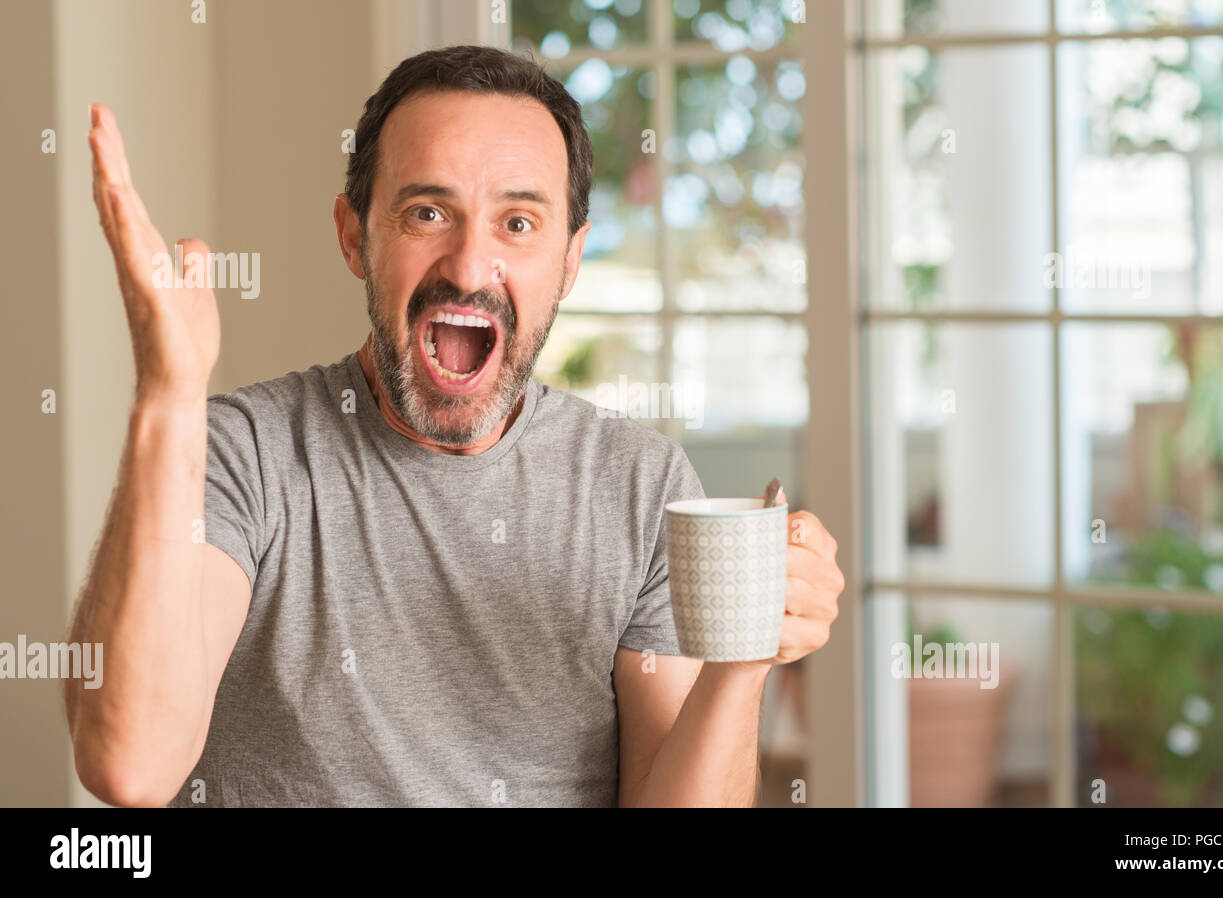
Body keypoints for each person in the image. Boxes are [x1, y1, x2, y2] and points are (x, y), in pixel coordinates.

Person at [64, 45, 844, 808]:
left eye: (518, 223)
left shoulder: (639, 486)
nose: (470, 267)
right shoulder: (243, 455)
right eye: (427, 213)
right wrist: (168, 397)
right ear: (353, 235)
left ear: (570, 261)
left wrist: (743, 660)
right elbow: (131, 766)